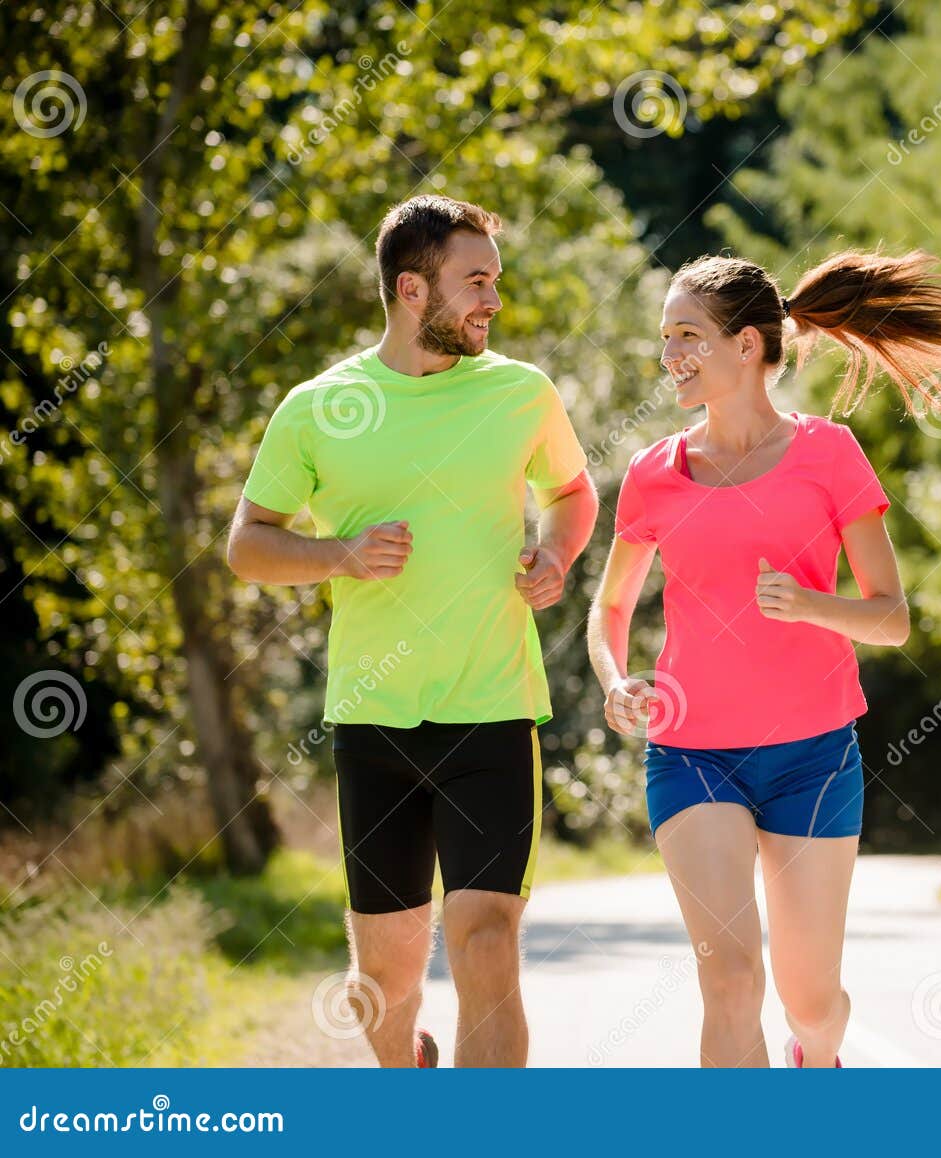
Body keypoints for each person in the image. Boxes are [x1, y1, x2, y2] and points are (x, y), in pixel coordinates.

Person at [587, 249, 941, 1067]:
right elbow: (612, 606)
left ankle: (818, 1057)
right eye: (666, 337)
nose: (670, 354)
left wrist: (810, 605)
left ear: (746, 345)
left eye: (688, 335)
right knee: (732, 981)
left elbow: (892, 618)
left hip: (812, 757)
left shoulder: (828, 455)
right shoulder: (654, 474)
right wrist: (616, 678)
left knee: (810, 1002)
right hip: (692, 755)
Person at [227, 195, 598, 1067]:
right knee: (385, 979)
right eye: (476, 282)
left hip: (493, 709)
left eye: (495, 281)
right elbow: (248, 546)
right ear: (411, 289)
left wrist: (556, 552)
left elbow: (573, 493)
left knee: (487, 940)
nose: (493, 301)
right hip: (376, 720)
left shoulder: (520, 392)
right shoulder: (320, 406)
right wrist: (342, 555)